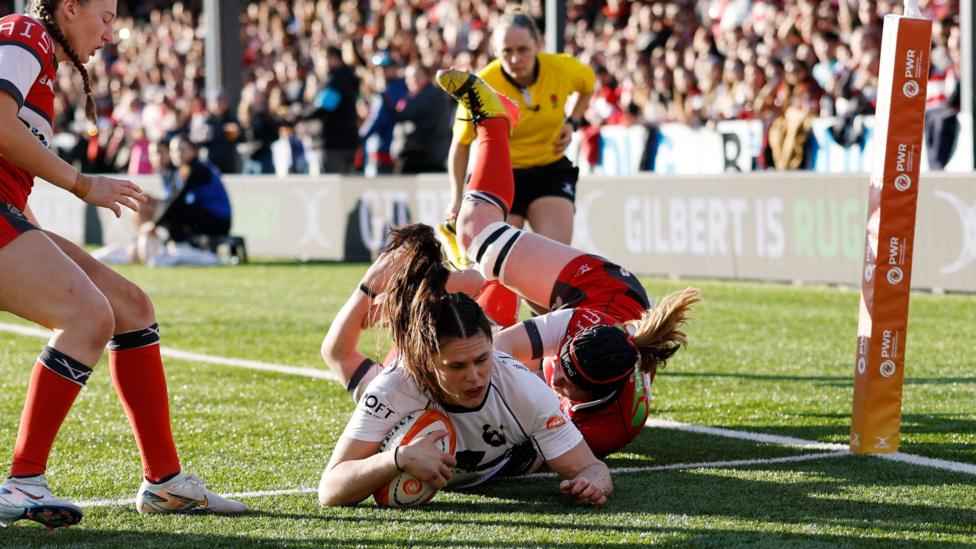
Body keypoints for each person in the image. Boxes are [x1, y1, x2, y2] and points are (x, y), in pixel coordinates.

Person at [0, 1, 246, 529]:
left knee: (132, 306)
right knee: (88, 316)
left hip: (7, 212)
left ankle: (164, 484)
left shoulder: (38, 53)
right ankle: (23, 481)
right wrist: (83, 184)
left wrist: (33, 230)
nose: (111, 34)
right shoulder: (25, 32)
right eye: (106, 17)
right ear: (70, 9)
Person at [436, 68, 700, 458]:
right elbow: (497, 350)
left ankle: (474, 271)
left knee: (495, 333)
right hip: (603, 290)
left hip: (604, 318)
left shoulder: (607, 430)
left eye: (566, 379)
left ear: (598, 392)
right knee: (476, 233)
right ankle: (495, 120)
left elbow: (527, 451)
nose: (556, 375)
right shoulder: (578, 328)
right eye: (561, 363)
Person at [317, 225, 612, 507]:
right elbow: (330, 489)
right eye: (456, 366)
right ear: (426, 362)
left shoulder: (521, 387)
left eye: (482, 359)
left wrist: (591, 484)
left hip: (518, 459)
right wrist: (397, 458)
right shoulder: (392, 389)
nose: (474, 377)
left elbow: (592, 468)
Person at [444, 8, 595, 326]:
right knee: (499, 266)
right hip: (502, 178)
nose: (515, 59)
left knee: (551, 265)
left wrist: (573, 120)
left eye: (523, 49)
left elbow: (588, 85)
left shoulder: (562, 69)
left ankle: (552, 332)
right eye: (507, 51)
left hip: (549, 170)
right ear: (495, 51)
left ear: (538, 44)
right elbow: (460, 144)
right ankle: (502, 336)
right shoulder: (484, 83)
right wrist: (456, 197)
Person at [156, 134, 232, 244]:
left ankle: (181, 247)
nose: (177, 154)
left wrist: (154, 224)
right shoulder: (178, 172)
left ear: (193, 151)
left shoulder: (199, 169)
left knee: (175, 211)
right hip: (204, 216)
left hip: (219, 221)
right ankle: (175, 245)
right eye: (173, 151)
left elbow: (178, 199)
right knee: (167, 209)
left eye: (181, 150)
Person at [393, 63, 455, 174]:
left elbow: (400, 116)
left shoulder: (428, 95)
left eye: (416, 76)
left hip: (422, 157)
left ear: (426, 77)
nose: (411, 81)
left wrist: (383, 96)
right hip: (427, 156)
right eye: (408, 77)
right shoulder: (418, 95)